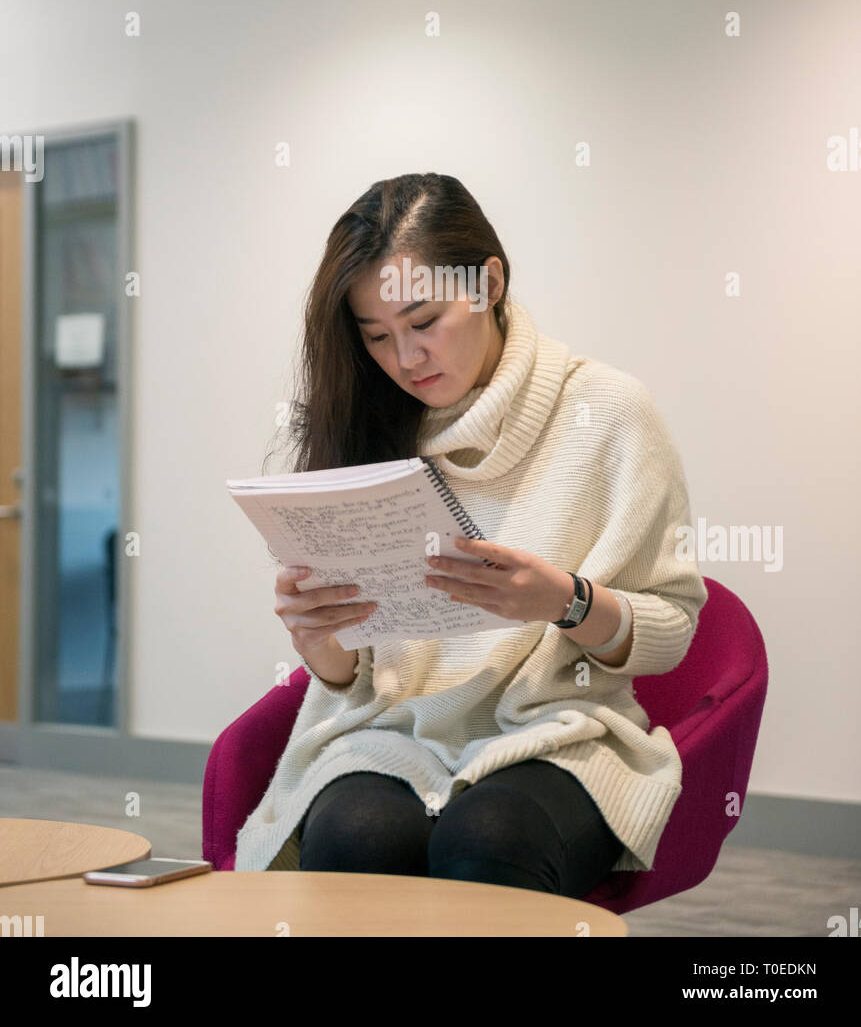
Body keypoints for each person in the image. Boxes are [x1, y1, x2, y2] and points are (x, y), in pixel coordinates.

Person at [234, 172, 708, 899]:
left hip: (559, 733)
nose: (406, 358)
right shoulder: (368, 423)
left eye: (424, 323)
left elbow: (671, 629)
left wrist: (566, 601)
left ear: (486, 283)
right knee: (355, 834)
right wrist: (319, 645)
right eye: (378, 337)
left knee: (490, 836)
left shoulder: (607, 413)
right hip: (390, 736)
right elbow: (352, 678)